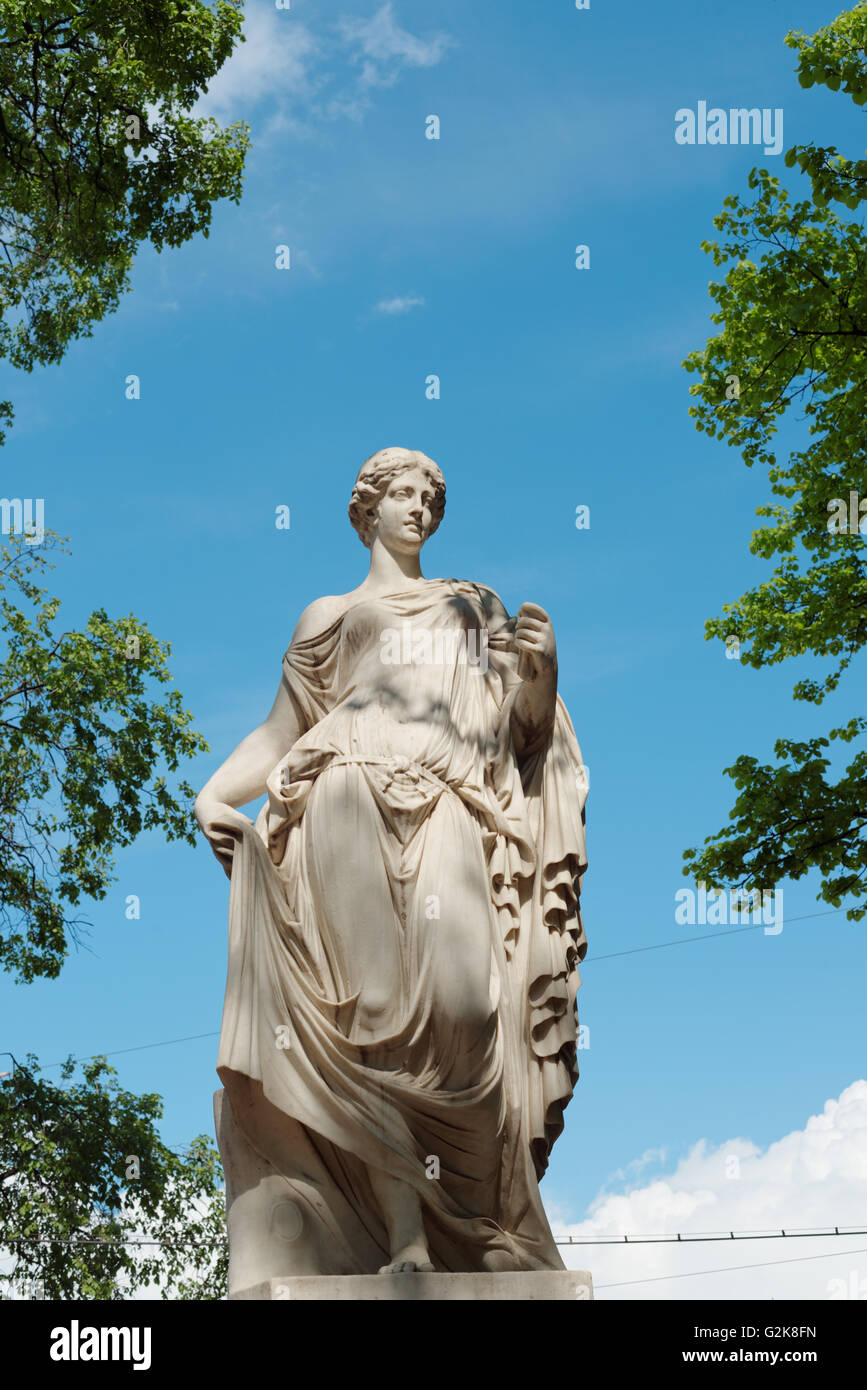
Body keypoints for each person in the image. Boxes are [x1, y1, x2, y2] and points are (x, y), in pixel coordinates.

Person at [196, 446, 589, 1280]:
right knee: (370, 1018)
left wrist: (543, 674)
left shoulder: (470, 603)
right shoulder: (328, 616)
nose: (419, 510)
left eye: (429, 499)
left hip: (450, 801)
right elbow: (280, 733)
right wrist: (213, 794)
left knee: (466, 1010)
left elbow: (522, 734)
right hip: (341, 798)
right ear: (365, 511)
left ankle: (473, 1220)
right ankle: (404, 1233)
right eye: (401, 496)